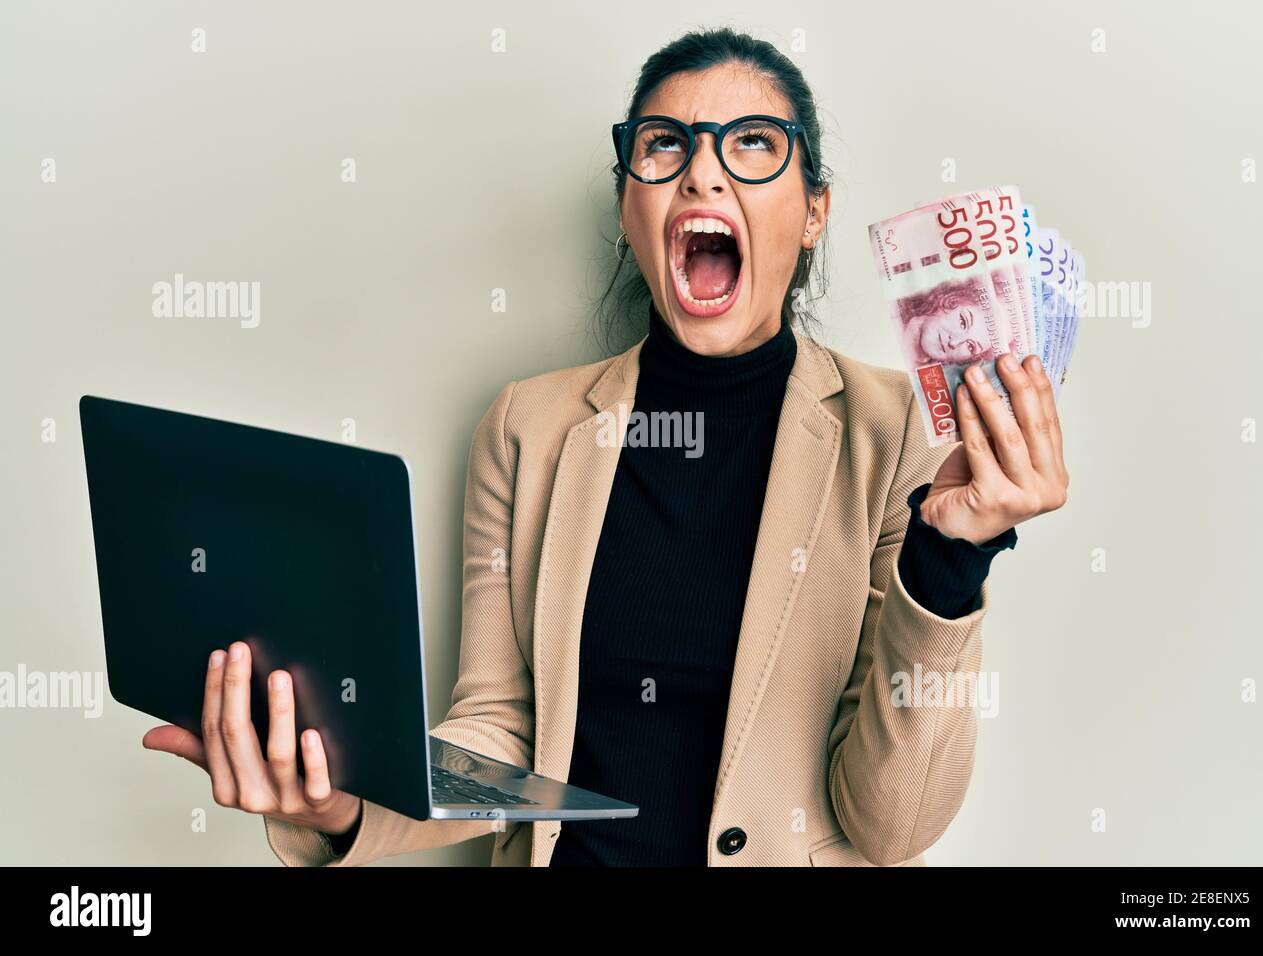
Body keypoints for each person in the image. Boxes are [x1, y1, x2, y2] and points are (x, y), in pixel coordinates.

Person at [143, 26, 1068, 867]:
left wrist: (949, 562)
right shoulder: (527, 427)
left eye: (753, 144)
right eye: (665, 145)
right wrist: (345, 807)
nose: (703, 175)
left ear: (815, 211)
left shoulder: (895, 428)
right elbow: (498, 736)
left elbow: (891, 825)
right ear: (631, 207)